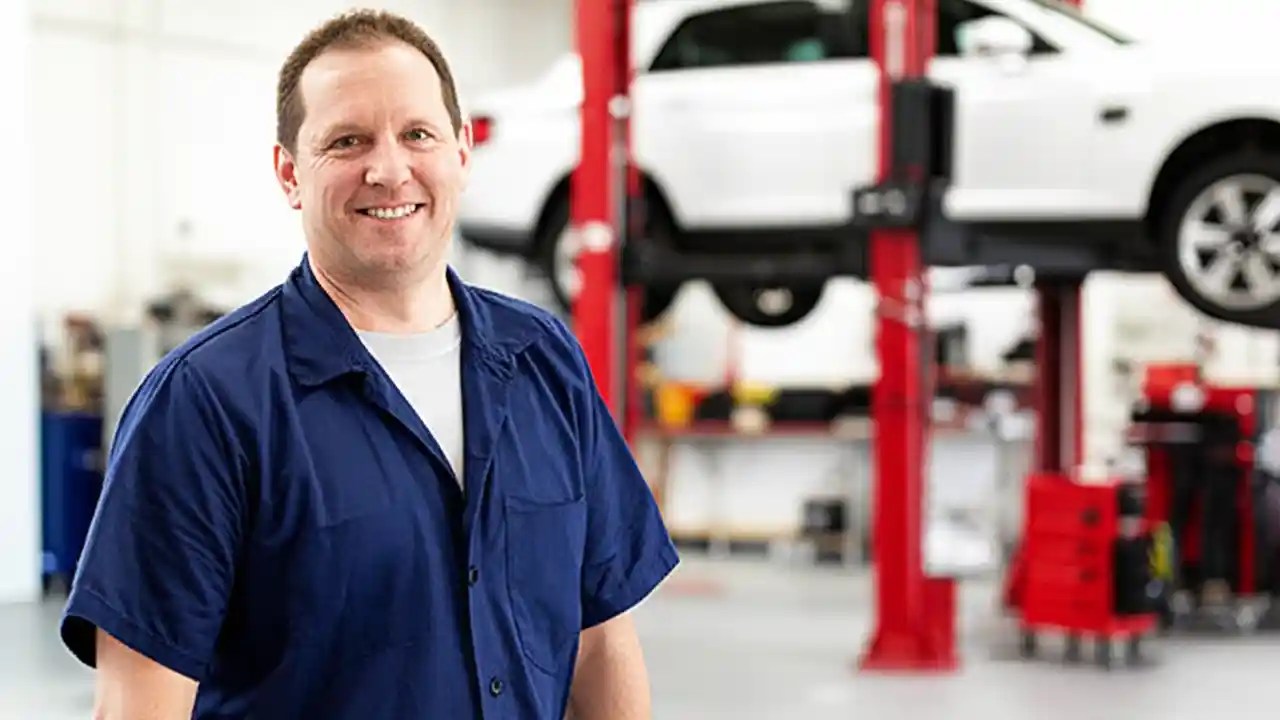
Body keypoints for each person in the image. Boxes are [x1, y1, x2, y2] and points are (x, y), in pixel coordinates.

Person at [59, 9, 679, 719]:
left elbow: (598, 642)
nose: (388, 170)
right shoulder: (204, 404)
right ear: (290, 173)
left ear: (462, 153)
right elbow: (140, 707)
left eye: (417, 134)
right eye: (347, 141)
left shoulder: (545, 362)